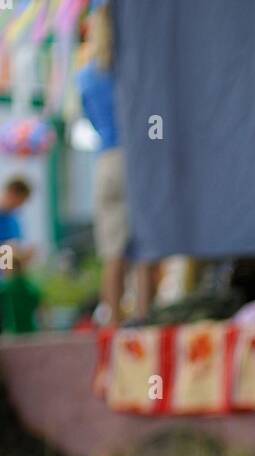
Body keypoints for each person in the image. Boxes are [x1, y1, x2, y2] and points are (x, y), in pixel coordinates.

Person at [74, 3, 154, 325]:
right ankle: (146, 319)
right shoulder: (133, 68)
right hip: (137, 159)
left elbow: (91, 121)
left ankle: (113, 323)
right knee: (146, 246)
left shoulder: (86, 75)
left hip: (107, 161)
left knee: (112, 251)